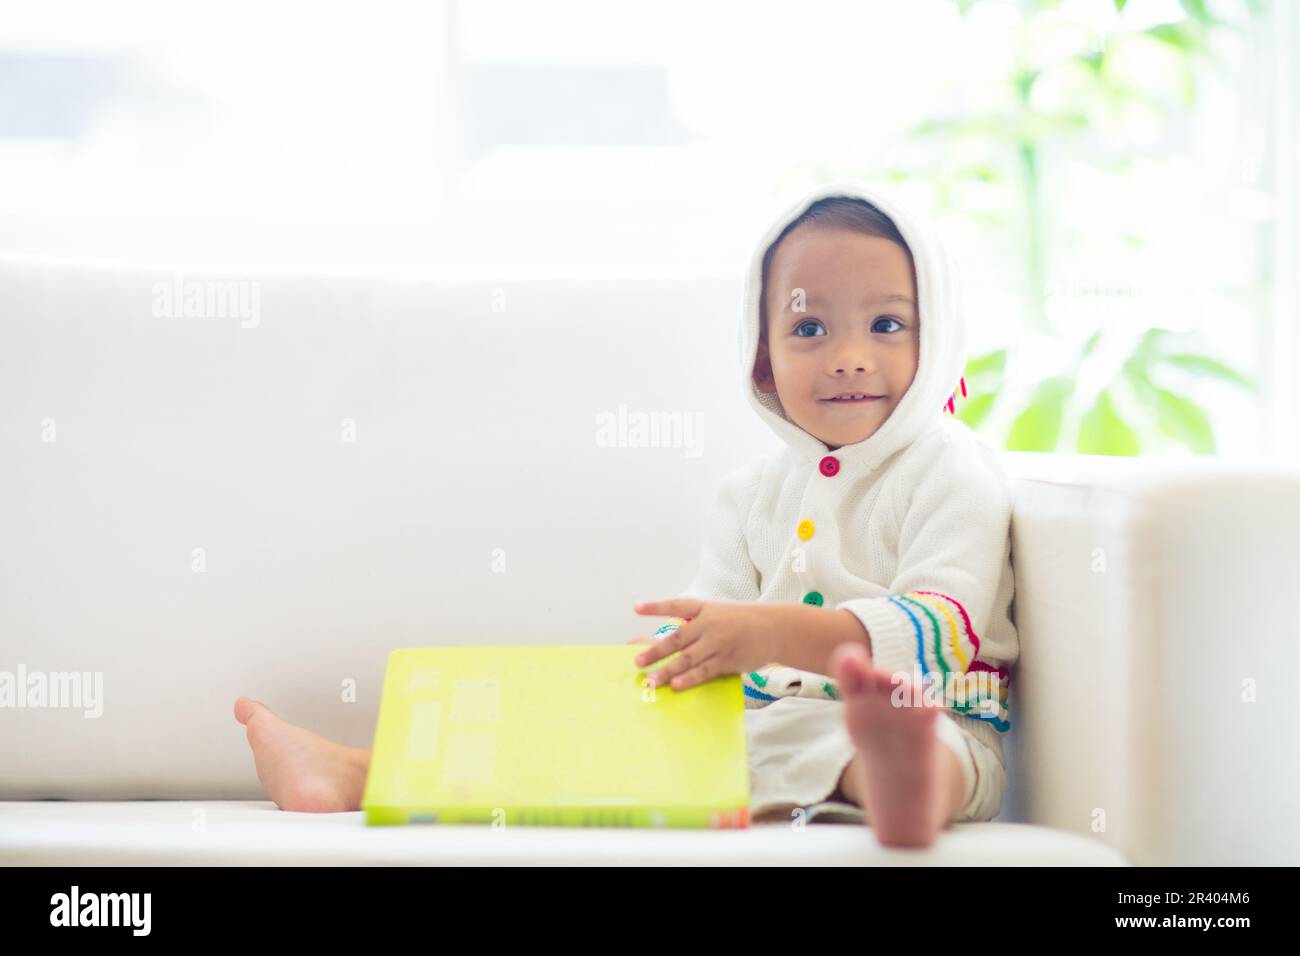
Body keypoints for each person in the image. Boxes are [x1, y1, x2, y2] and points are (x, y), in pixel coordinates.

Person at [235, 179, 1018, 848]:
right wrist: (672, 659)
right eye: (809, 328)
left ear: (937, 335)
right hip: (760, 730)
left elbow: (944, 633)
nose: (849, 355)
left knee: (904, 746)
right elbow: (714, 640)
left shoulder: (951, 468)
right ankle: (361, 773)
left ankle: (904, 781)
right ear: (762, 356)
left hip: (931, 714)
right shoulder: (750, 495)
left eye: (886, 325)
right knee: (607, 726)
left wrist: (768, 633)